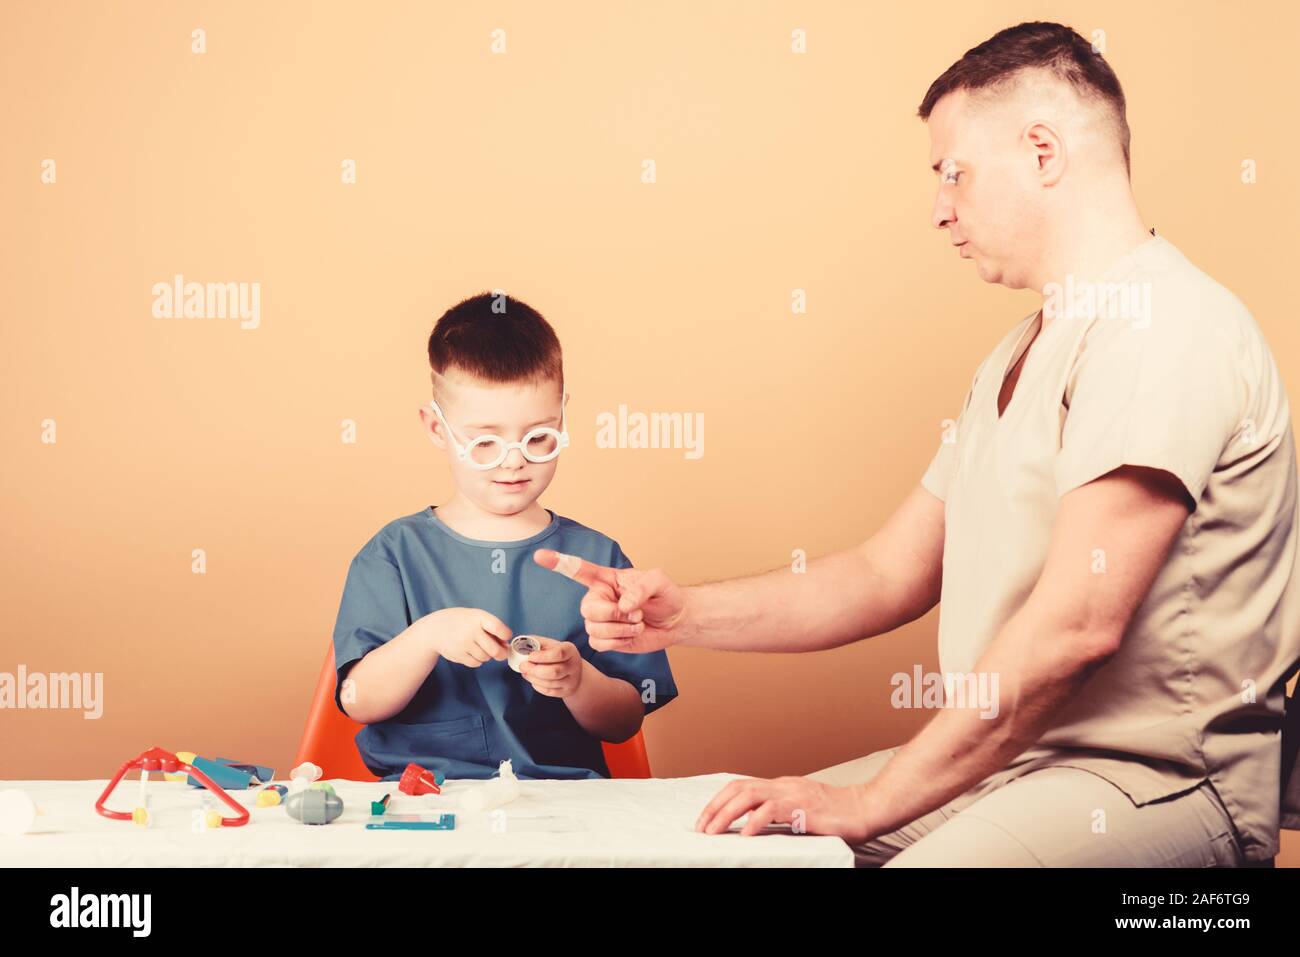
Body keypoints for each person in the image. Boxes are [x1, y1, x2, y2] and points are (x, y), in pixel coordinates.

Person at [537, 21, 1300, 865]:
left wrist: (867, 803)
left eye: (954, 173)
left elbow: (1078, 624)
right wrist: (681, 614)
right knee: (744, 848)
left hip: (1151, 782)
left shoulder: (1166, 327)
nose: (940, 208)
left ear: (1044, 152)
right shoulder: (1019, 352)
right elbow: (885, 572)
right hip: (1011, 761)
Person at [332, 292, 676, 781]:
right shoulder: (393, 555)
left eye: (538, 438)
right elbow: (359, 701)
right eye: (486, 443)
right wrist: (428, 635)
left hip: (563, 805)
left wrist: (579, 680)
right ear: (437, 428)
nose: (514, 461)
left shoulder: (596, 558)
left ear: (563, 415)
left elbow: (624, 721)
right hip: (426, 803)